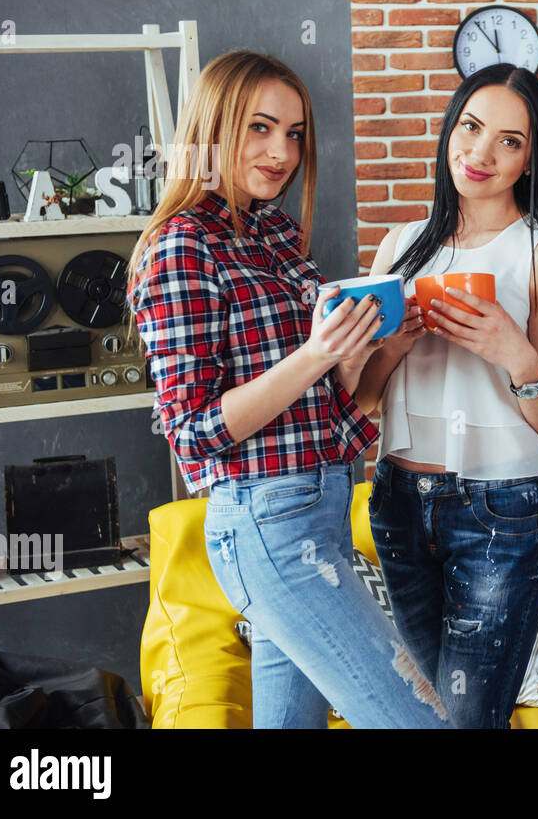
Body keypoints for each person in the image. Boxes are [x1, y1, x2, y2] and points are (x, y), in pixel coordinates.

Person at [127, 50, 446, 728]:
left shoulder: (274, 231)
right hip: (268, 526)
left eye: (295, 133)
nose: (281, 151)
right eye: (260, 128)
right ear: (214, 130)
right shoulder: (182, 244)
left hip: (322, 505)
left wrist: (368, 354)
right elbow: (193, 431)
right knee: (422, 717)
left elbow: (323, 410)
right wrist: (315, 353)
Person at [353, 63, 538, 728]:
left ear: (531, 159)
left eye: (510, 141)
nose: (480, 152)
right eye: (472, 126)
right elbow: (366, 401)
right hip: (398, 502)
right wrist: (392, 346)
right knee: (435, 714)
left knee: (471, 716)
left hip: (501, 512)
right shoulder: (399, 246)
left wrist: (514, 352)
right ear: (451, 127)